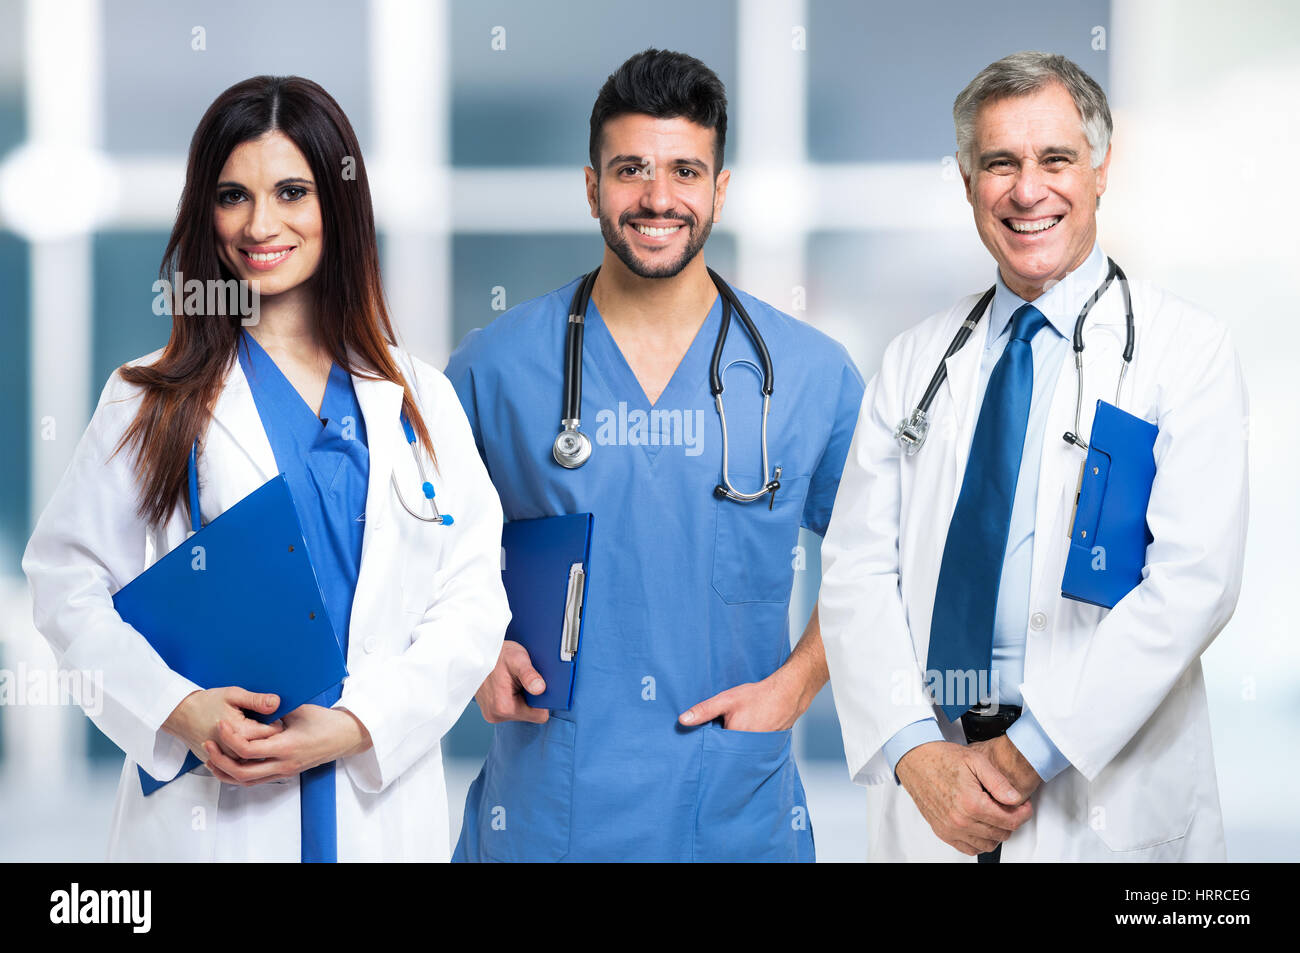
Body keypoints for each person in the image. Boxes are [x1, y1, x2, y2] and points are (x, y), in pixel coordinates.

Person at [22, 75, 509, 862]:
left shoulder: (420, 398)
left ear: (337, 207)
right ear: (204, 213)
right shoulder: (149, 395)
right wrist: (179, 708)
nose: (260, 224)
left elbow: (473, 599)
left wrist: (358, 724)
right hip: (216, 801)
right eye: (232, 195)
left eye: (291, 191)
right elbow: (64, 584)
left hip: (374, 800)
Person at [818, 51, 1248, 862]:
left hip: (1104, 799)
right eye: (999, 163)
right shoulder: (914, 362)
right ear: (966, 178)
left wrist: (1027, 754)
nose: (1027, 190)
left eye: (1056, 158)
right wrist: (914, 751)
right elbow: (854, 573)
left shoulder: (1184, 352)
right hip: (936, 793)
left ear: (1101, 169)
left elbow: (1195, 582)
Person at [447, 49, 864, 862]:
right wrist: (471, 653)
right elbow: (405, 547)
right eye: (631, 169)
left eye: (684, 170)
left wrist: (801, 680)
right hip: (547, 814)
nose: (658, 197)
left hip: (734, 812)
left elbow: (882, 558)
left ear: (720, 188)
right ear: (592, 184)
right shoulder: (496, 365)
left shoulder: (810, 375)